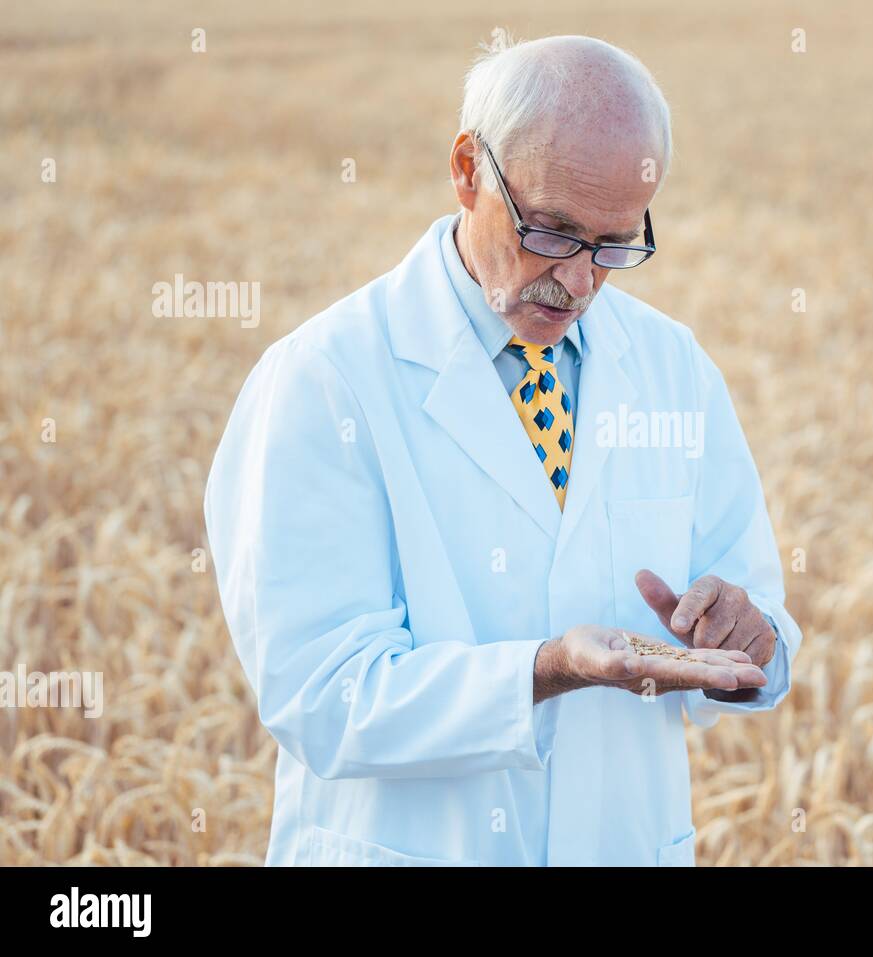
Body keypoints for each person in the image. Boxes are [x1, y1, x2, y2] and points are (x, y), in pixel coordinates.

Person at [204, 33, 801, 866]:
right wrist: (548, 667)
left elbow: (764, 633)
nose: (582, 281)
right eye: (553, 232)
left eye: (616, 244)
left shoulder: (675, 369)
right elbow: (322, 695)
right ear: (467, 170)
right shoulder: (324, 379)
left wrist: (753, 635)